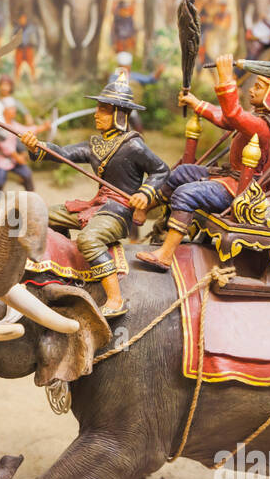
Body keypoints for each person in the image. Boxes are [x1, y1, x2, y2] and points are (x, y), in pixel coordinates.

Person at [20, 68, 167, 318]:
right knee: (41, 215)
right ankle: (59, 269)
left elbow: (162, 170)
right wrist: (38, 147)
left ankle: (115, 298)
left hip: (118, 212)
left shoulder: (133, 145)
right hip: (96, 205)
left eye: (103, 110)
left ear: (119, 115)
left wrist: (145, 193)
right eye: (98, 108)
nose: (97, 115)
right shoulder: (95, 144)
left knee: (89, 240)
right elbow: (64, 153)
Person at [134, 53, 270, 270]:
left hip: (239, 190)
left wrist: (226, 79)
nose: (252, 89)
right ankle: (146, 207)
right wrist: (197, 103)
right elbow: (226, 119)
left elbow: (233, 115)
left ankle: (165, 254)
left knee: (186, 193)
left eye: (259, 87)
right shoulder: (256, 118)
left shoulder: (262, 126)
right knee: (182, 172)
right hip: (229, 178)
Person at [0, 99, 36, 193]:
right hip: (2, 161)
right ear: (5, 111)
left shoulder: (14, 124)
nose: (15, 111)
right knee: (0, 183)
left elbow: (26, 130)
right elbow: (4, 145)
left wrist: (43, 127)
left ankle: (31, 197)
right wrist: (17, 157)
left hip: (14, 160)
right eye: (12, 109)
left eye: (14, 109)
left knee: (27, 174)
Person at [14, 14, 40, 82]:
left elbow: (35, 38)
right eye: (21, 19)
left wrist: (34, 45)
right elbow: (12, 37)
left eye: (24, 19)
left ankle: (34, 79)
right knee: (17, 65)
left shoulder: (31, 28)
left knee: (31, 65)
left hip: (28, 48)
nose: (22, 21)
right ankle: (17, 80)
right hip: (20, 49)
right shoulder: (17, 28)